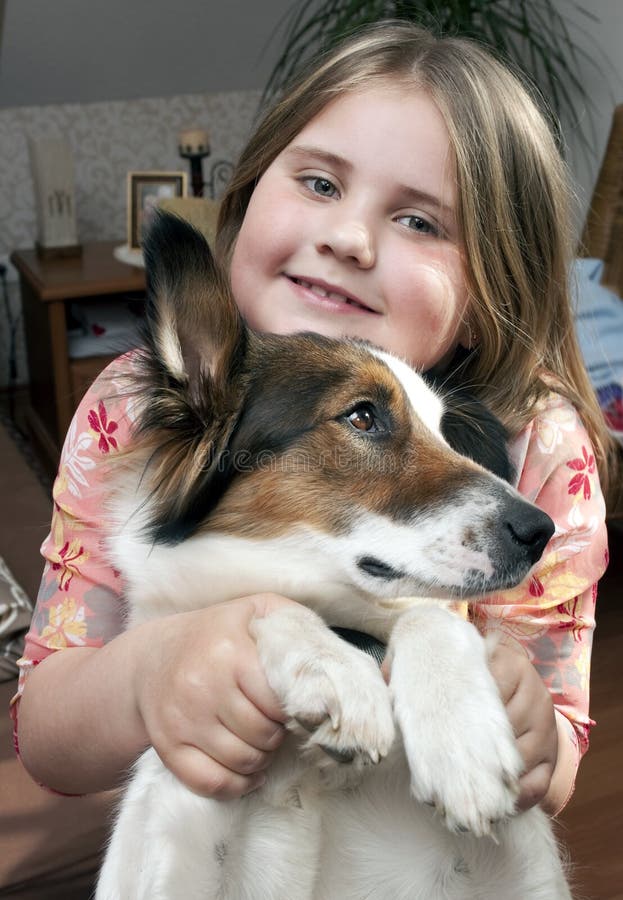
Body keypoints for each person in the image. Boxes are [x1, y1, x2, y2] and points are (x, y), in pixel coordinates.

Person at [9, 19, 615, 893]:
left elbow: (552, 762)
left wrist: (524, 726)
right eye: (320, 182)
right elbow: (48, 733)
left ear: (491, 290)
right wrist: (150, 672)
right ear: (250, 188)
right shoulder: (132, 408)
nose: (349, 238)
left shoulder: (540, 449)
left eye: (418, 219)